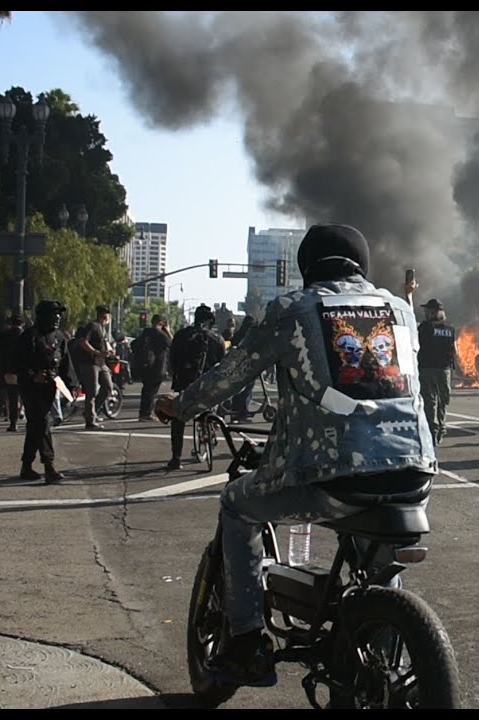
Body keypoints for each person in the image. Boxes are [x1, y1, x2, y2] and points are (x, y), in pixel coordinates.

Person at [154, 223, 437, 688]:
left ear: (308, 267)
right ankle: (378, 659)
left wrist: (180, 405)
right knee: (381, 565)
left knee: (237, 505)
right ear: (362, 266)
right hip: (414, 474)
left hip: (336, 475)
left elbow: (233, 374)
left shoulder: (292, 309)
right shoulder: (399, 309)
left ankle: (245, 639)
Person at [15, 300, 76, 483]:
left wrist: (72, 386)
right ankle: (49, 466)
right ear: (41, 316)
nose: (57, 319)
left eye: (59, 316)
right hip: (31, 387)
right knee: (42, 423)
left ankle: (26, 466)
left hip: (51, 386)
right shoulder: (29, 336)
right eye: (53, 315)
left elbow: (66, 364)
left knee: (35, 427)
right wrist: (33, 375)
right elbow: (18, 363)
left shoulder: (59, 337)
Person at [165, 304, 225, 470]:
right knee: (211, 408)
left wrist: (176, 376)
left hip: (184, 383)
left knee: (178, 418)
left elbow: (172, 360)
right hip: (208, 387)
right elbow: (224, 366)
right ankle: (209, 429)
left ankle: (176, 458)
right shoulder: (217, 339)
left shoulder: (181, 335)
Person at [416, 298, 457, 445]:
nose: (426, 313)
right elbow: (454, 350)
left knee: (430, 401)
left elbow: (416, 345)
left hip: (427, 369)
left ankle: (433, 429)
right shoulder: (449, 328)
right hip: (444, 370)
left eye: (427, 311)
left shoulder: (424, 327)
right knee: (442, 400)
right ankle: (441, 426)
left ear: (433, 312)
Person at [73, 305, 114, 430]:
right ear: (104, 316)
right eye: (107, 315)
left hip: (102, 363)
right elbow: (83, 342)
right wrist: (96, 352)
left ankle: (91, 412)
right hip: (91, 363)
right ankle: (90, 421)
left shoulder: (103, 329)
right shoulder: (93, 326)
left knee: (108, 387)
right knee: (92, 392)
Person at [135, 314, 173, 422]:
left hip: (144, 365)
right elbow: (172, 343)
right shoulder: (160, 334)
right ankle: (146, 414)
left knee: (146, 389)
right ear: (162, 324)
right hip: (156, 365)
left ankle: (143, 412)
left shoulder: (145, 333)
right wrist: (168, 331)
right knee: (151, 391)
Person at [0, 314, 26, 432]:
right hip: (25, 370)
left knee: (12, 396)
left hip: (9, 370)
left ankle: (13, 422)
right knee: (26, 395)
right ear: (23, 324)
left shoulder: (3, 335)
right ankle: (24, 415)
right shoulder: (27, 335)